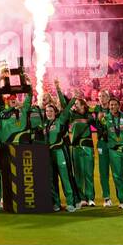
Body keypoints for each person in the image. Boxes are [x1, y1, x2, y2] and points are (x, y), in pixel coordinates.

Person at [43, 82, 78, 212]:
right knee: (52, 180)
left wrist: (72, 96)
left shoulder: (60, 120)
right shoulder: (44, 124)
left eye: (51, 111)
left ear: (55, 112)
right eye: (47, 111)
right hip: (48, 154)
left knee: (65, 178)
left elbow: (67, 107)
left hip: (59, 151)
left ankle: (70, 203)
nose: (48, 113)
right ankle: (56, 204)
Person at [66, 93, 96, 208]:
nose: (75, 105)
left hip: (87, 146)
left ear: (83, 105)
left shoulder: (89, 116)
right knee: (78, 174)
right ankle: (82, 198)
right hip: (76, 147)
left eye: (77, 103)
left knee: (88, 173)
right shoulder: (72, 115)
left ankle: (90, 198)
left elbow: (99, 125)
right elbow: (65, 106)